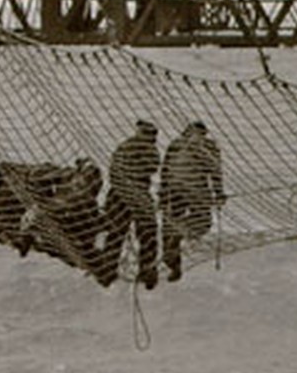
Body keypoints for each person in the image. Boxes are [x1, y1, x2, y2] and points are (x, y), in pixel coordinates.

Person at [96, 119, 161, 289]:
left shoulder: (124, 146)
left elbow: (113, 170)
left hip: (118, 196)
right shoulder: (149, 149)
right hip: (138, 195)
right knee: (148, 234)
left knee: (115, 235)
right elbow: (153, 166)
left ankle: (106, 272)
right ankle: (147, 272)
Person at [159, 121, 226, 282]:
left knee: (170, 226)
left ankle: (173, 265)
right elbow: (215, 171)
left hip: (175, 190)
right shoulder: (208, 146)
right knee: (202, 222)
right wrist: (219, 193)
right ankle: (180, 235)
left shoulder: (176, 144)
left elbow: (165, 171)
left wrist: (163, 194)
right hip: (195, 190)